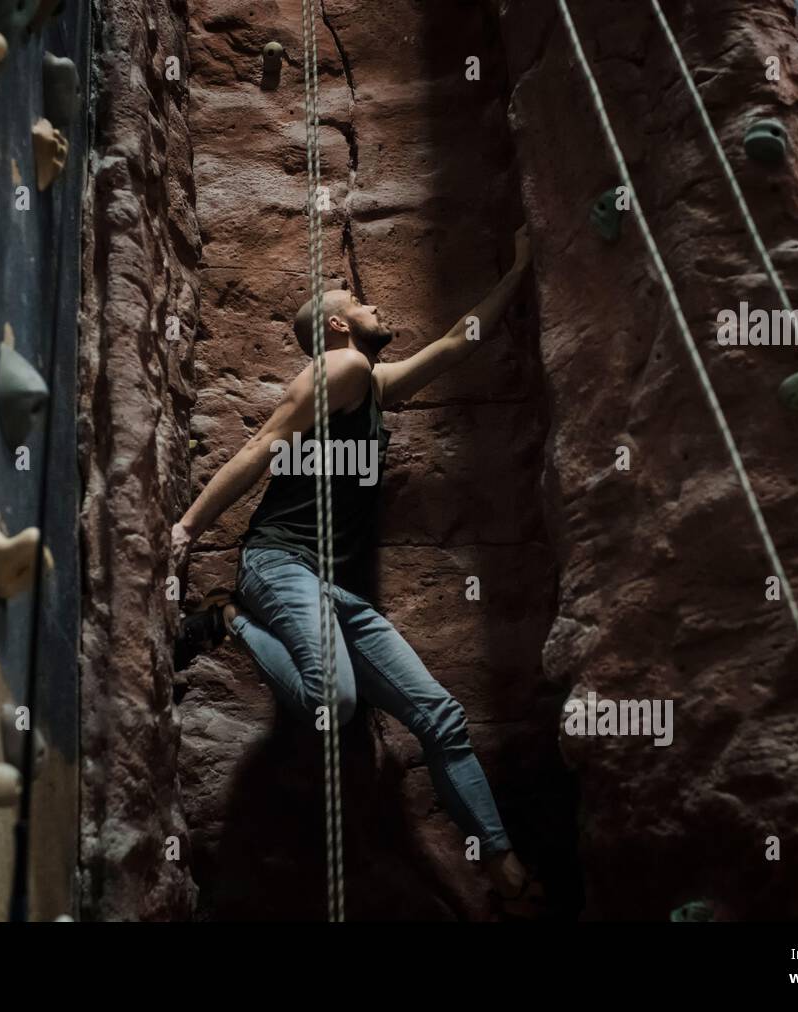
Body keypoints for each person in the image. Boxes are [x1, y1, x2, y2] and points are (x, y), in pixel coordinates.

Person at [171, 226, 544, 918]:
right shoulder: (340, 368)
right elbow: (265, 444)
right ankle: (229, 618)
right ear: (339, 325)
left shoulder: (370, 385)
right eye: (361, 304)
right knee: (335, 704)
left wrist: (521, 266)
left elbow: (459, 341)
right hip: (280, 564)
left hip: (337, 587)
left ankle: (500, 863)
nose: (378, 308)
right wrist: (187, 528)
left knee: (439, 716)